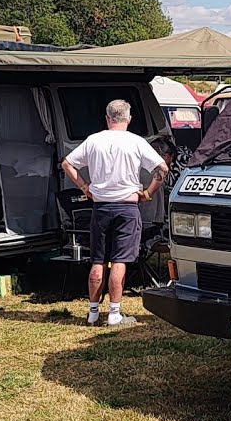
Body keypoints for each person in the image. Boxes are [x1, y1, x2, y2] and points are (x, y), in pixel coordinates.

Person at [61, 100, 169, 326]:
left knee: (98, 259)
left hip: (100, 207)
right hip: (127, 208)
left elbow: (67, 164)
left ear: (107, 118)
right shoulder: (136, 142)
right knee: (119, 260)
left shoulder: (93, 140)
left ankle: (92, 312)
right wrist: (147, 193)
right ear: (129, 118)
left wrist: (84, 187)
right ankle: (114, 313)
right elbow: (162, 168)